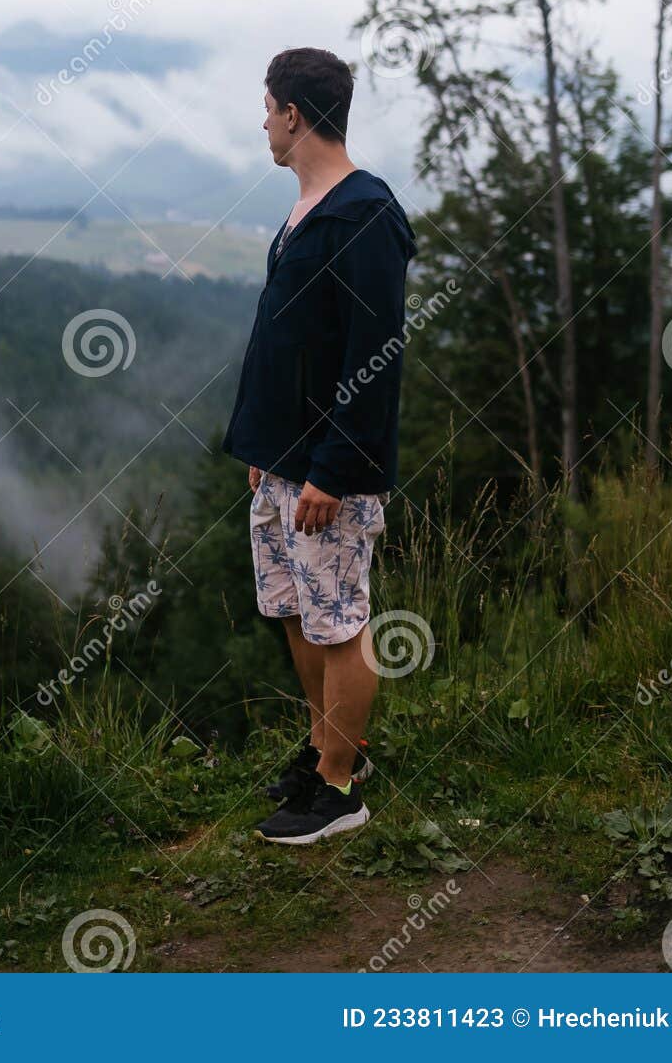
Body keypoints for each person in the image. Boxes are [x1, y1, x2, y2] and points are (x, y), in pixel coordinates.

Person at [222, 47, 417, 845]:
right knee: (295, 610)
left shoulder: (364, 215)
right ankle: (323, 750)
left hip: (330, 471)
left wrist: (333, 469)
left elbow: (374, 356)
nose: (263, 124)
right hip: (284, 460)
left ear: (294, 114)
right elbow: (293, 339)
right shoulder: (309, 206)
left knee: (337, 619)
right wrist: (266, 445)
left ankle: (340, 791)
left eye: (268, 110)